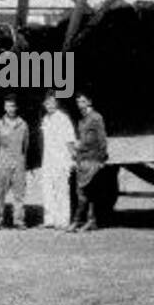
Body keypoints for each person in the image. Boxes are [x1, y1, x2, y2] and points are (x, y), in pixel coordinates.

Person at [67, 91, 108, 232]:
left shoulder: (96, 118)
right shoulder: (82, 120)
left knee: (85, 192)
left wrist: (101, 159)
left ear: (89, 102)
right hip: (82, 159)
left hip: (93, 158)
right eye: (78, 102)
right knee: (85, 193)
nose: (80, 105)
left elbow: (102, 140)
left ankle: (78, 221)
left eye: (83, 102)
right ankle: (90, 221)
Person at [0, 95, 29, 230]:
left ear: (16, 107)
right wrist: (0, 161)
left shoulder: (23, 125)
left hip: (18, 163)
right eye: (8, 106)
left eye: (13, 106)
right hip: (3, 163)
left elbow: (25, 146)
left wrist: (20, 160)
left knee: (19, 195)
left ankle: (19, 221)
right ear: (4, 107)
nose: (11, 109)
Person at [39, 93, 76, 229]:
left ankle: (63, 221)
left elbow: (70, 139)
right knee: (48, 189)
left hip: (61, 159)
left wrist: (72, 158)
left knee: (61, 190)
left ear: (57, 103)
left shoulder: (63, 118)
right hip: (48, 160)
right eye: (47, 103)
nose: (49, 105)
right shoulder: (45, 120)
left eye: (52, 103)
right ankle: (50, 220)